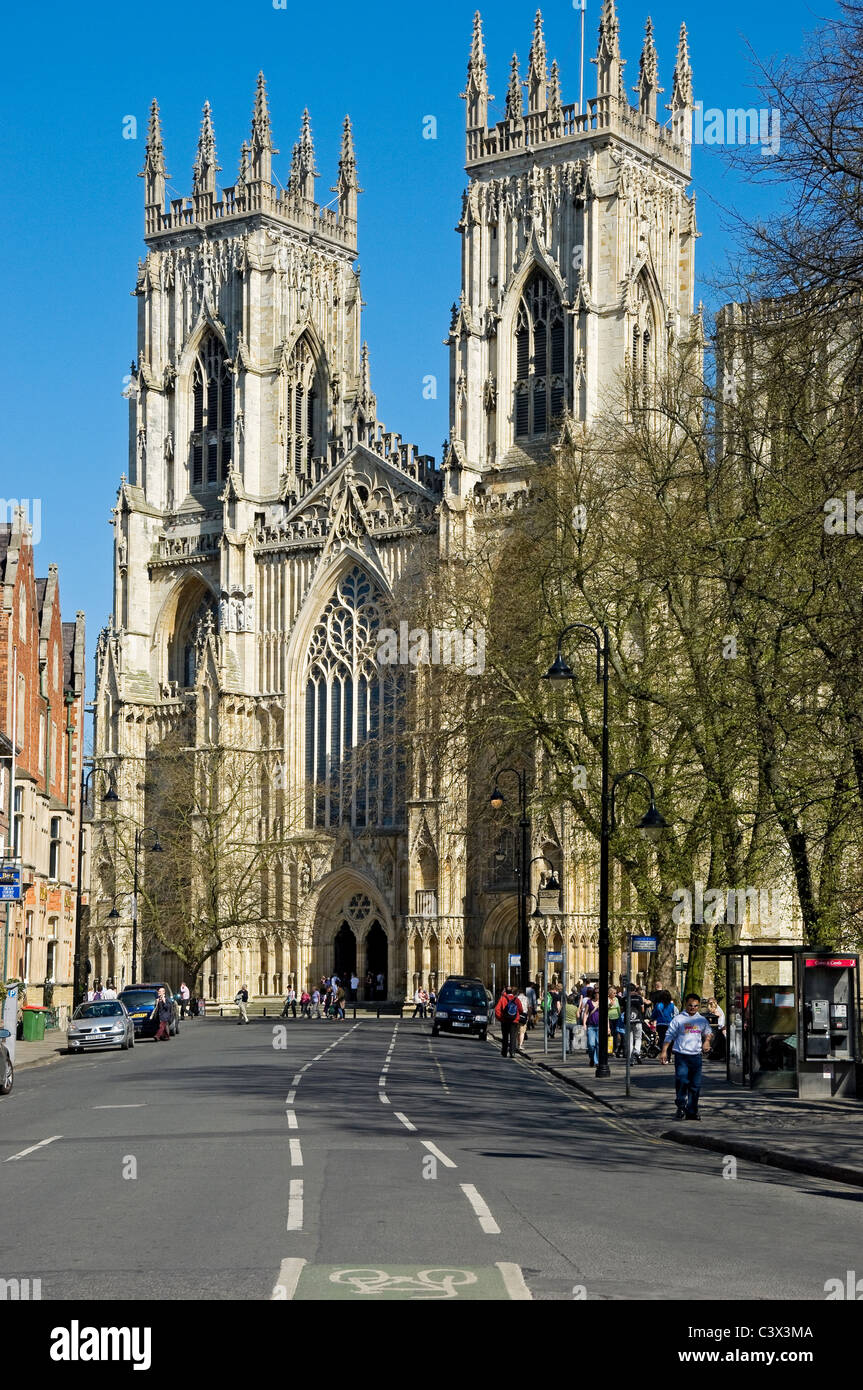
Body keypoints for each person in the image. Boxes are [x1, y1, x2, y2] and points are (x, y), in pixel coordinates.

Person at [660, 992, 713, 1119]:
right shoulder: (678, 1019)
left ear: (699, 1006)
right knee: (682, 1081)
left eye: (695, 1006)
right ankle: (681, 1107)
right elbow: (669, 1036)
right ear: (686, 1005)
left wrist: (707, 1041)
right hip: (681, 1055)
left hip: (696, 1056)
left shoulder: (701, 1020)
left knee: (695, 1085)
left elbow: (709, 1033)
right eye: (690, 1005)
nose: (692, 1008)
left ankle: (692, 1110)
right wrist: (664, 1052)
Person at [495, 985, 523, 1058]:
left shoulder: (502, 999)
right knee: (513, 1037)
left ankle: (504, 1052)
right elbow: (521, 1010)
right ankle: (512, 1052)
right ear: (512, 992)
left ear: (505, 991)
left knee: (505, 1037)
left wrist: (501, 1018)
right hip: (514, 1021)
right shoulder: (516, 999)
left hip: (504, 1021)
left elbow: (497, 1010)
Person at [579, 986, 600, 1064]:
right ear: (594, 994)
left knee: (598, 1044)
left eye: (599, 993)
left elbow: (606, 1015)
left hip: (599, 1026)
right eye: (596, 993)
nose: (597, 994)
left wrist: (608, 1027)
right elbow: (586, 1013)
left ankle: (596, 1061)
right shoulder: (589, 1002)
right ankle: (591, 1057)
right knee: (591, 1044)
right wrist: (584, 1023)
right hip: (591, 1026)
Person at [628, 984, 647, 1064]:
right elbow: (642, 1009)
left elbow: (622, 1010)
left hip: (628, 1021)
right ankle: (636, 1050)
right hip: (638, 1020)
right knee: (638, 1038)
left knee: (630, 1039)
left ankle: (630, 1059)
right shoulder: (639, 998)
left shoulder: (626, 998)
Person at [564, 991, 581, 1055]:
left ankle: (567, 1049)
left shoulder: (564, 1006)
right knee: (572, 1037)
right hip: (573, 1023)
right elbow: (578, 1016)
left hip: (566, 1023)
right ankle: (572, 1049)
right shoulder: (575, 1007)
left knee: (566, 1037)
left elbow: (562, 1014)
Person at [516, 986, 530, 1052]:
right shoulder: (526, 998)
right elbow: (529, 1007)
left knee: (517, 1030)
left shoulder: (516, 998)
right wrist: (529, 1015)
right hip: (524, 1016)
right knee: (522, 1031)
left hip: (517, 1016)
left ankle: (517, 1043)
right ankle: (520, 1045)